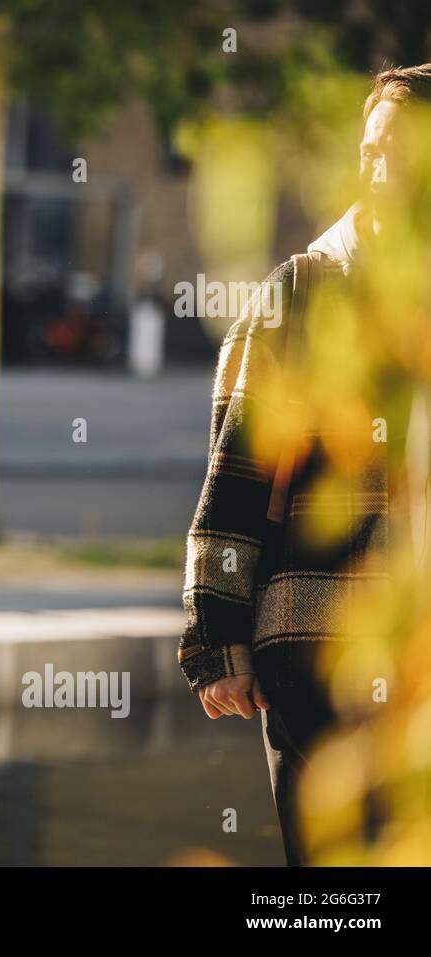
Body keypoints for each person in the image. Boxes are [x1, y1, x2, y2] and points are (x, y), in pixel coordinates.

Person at [179, 64, 431, 866]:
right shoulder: (302, 292)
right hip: (314, 647)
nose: (381, 166)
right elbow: (237, 471)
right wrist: (218, 638)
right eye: (369, 148)